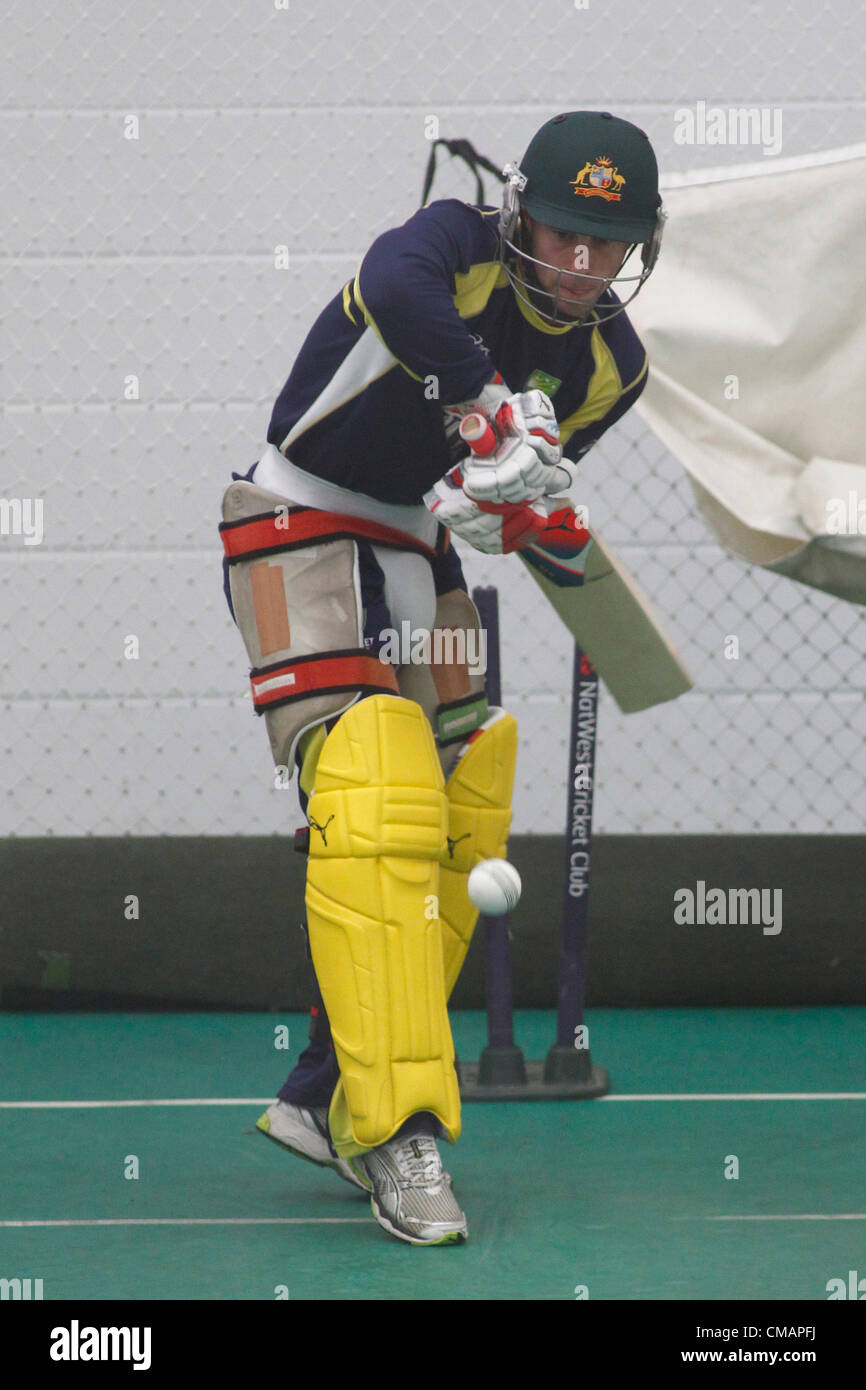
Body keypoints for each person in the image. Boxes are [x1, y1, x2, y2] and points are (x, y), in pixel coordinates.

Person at [219, 110, 665, 1245]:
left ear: (635, 248)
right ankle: (397, 1127)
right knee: (375, 788)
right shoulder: (449, 248)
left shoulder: (611, 363)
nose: (577, 265)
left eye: (602, 247)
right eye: (560, 233)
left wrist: (508, 500)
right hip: (299, 521)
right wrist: (483, 411)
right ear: (518, 213)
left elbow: (518, 484)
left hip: (417, 547)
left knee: (467, 795)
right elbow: (389, 283)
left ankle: (325, 1094)